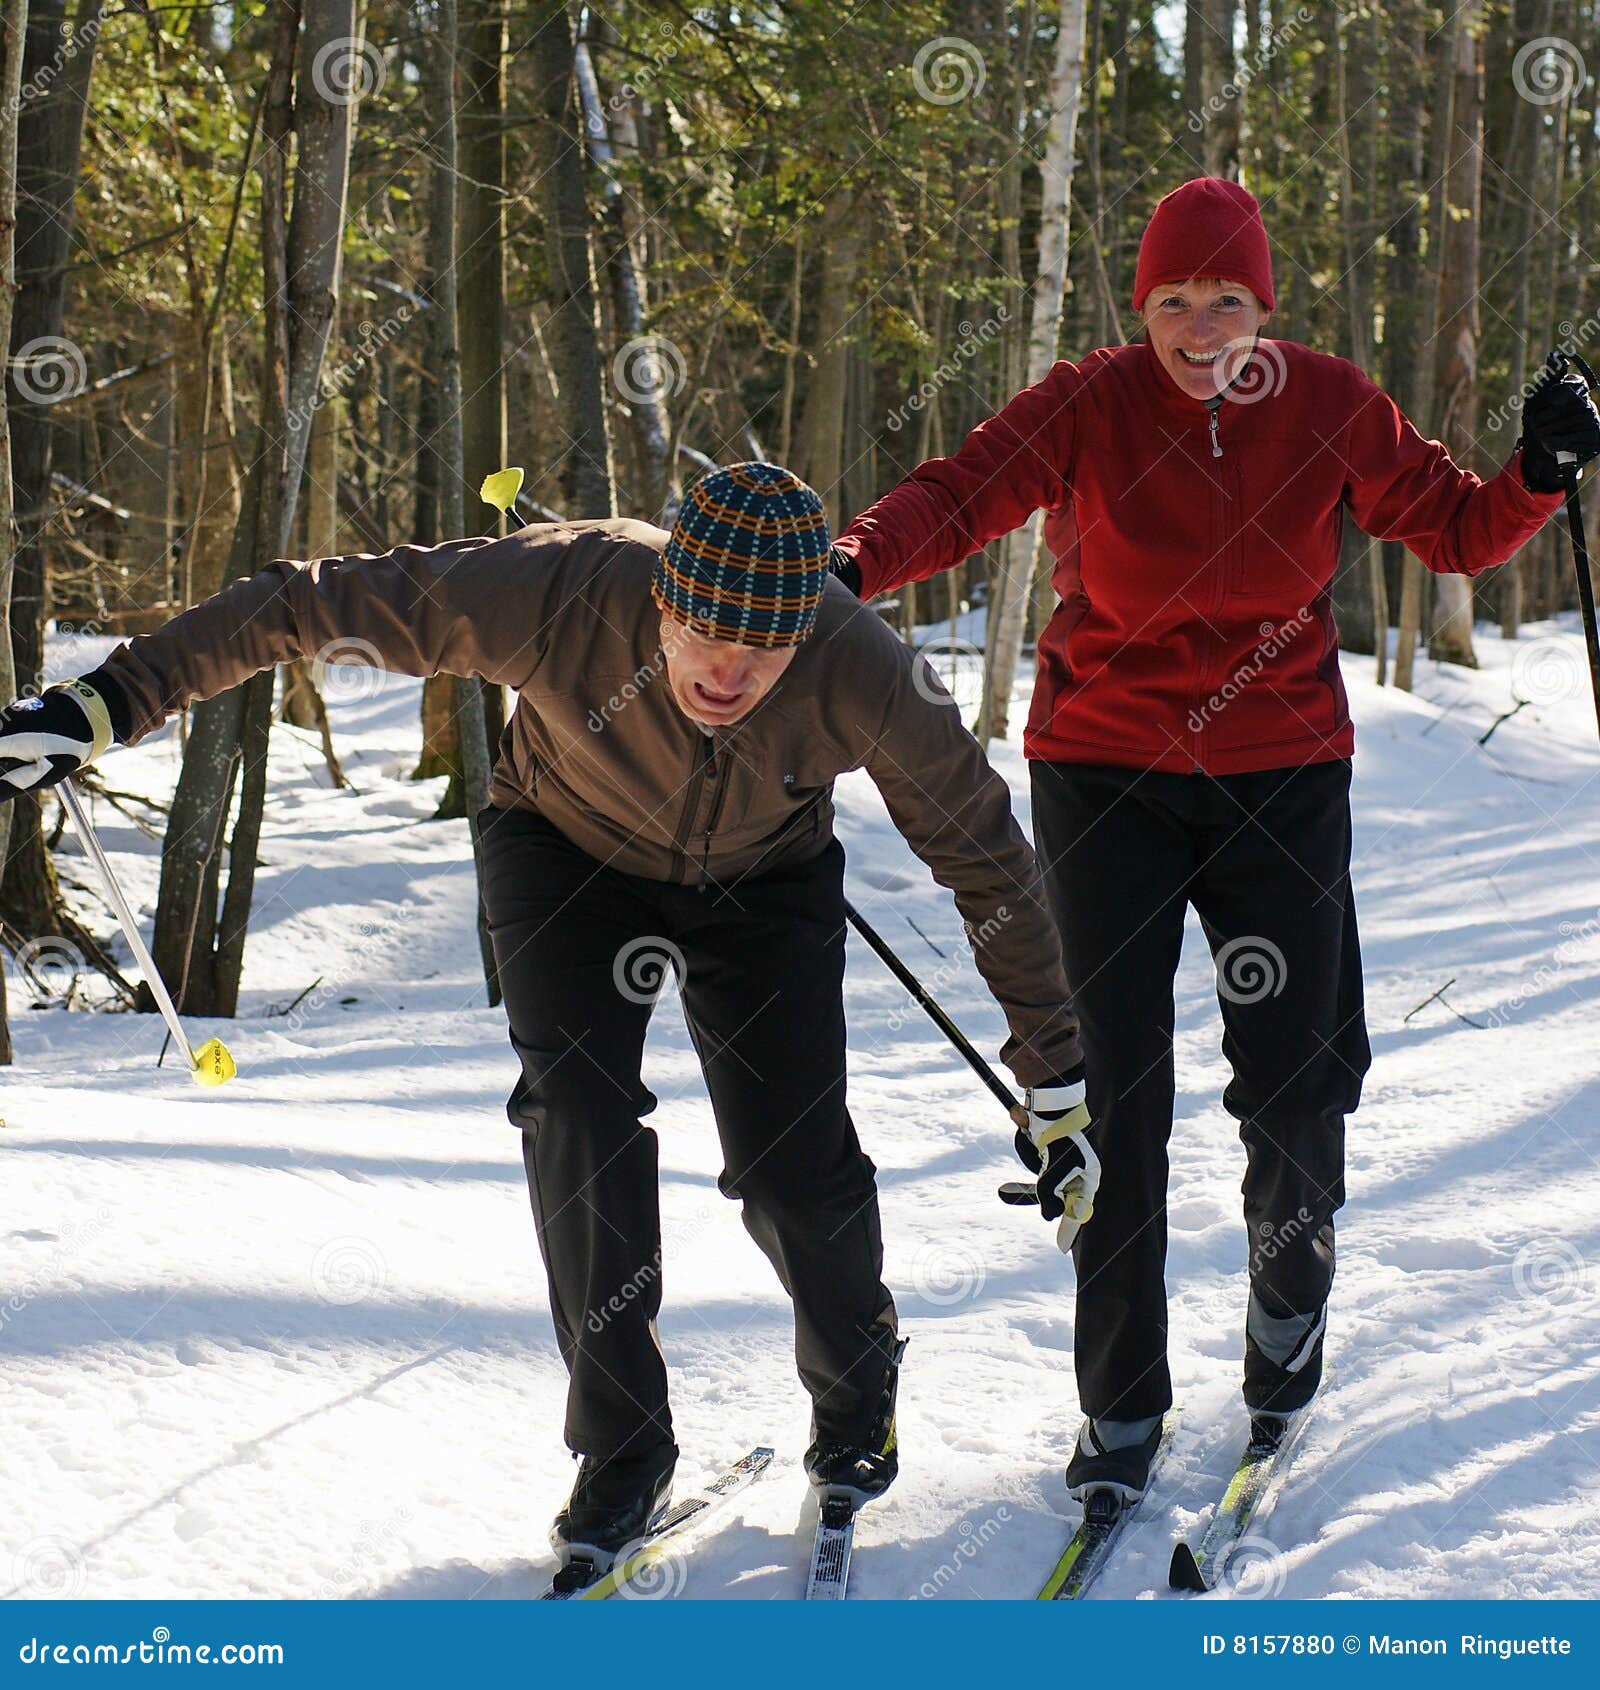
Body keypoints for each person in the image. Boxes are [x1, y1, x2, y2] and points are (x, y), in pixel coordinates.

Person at [0, 461, 1091, 1572]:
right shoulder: (557, 586)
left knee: (790, 1162)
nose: (727, 671)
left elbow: (989, 864)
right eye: (705, 630)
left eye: (763, 650)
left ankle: (859, 1388)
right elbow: (303, 600)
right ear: (664, 594)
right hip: (565, 850)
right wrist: (108, 701)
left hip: (764, 880)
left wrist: (1054, 1081)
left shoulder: (861, 668)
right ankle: (624, 1446)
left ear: (807, 627)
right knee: (576, 1113)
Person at [829, 178, 1600, 1505]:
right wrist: (848, 559)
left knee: (1297, 1077)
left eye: (1224, 301)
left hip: (1279, 769)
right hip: (1106, 773)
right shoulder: (1088, 401)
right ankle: (1119, 1403)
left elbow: (1458, 529)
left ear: (1264, 306)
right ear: (1143, 309)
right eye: (1174, 303)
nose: (1199, 329)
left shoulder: (1329, 402)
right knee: (1110, 1094)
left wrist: (1538, 469)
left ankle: (1284, 1320)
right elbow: (959, 497)